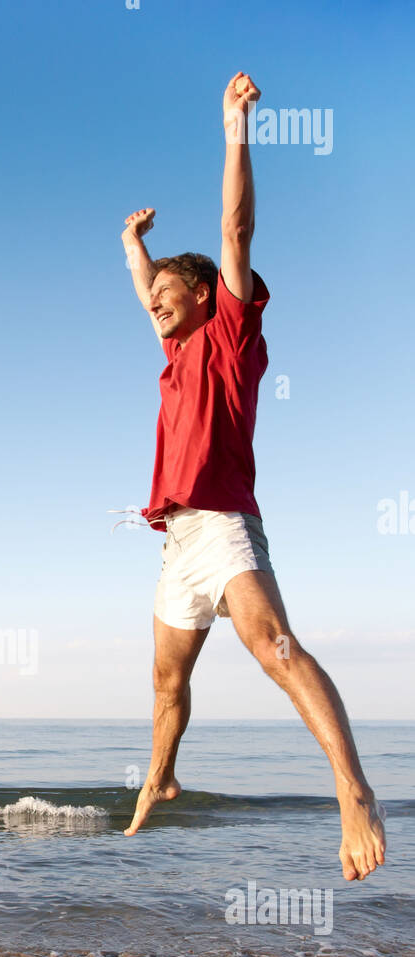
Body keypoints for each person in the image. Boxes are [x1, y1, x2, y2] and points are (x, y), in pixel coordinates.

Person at [119, 71, 385, 881]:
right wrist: (134, 248)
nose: (154, 303)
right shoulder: (174, 345)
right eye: (152, 295)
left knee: (272, 645)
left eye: (169, 291)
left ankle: (353, 792)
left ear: (205, 296)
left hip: (226, 517)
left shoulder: (230, 332)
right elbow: (144, 294)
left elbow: (234, 231)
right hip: (177, 538)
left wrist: (234, 128)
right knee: (167, 685)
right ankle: (161, 777)